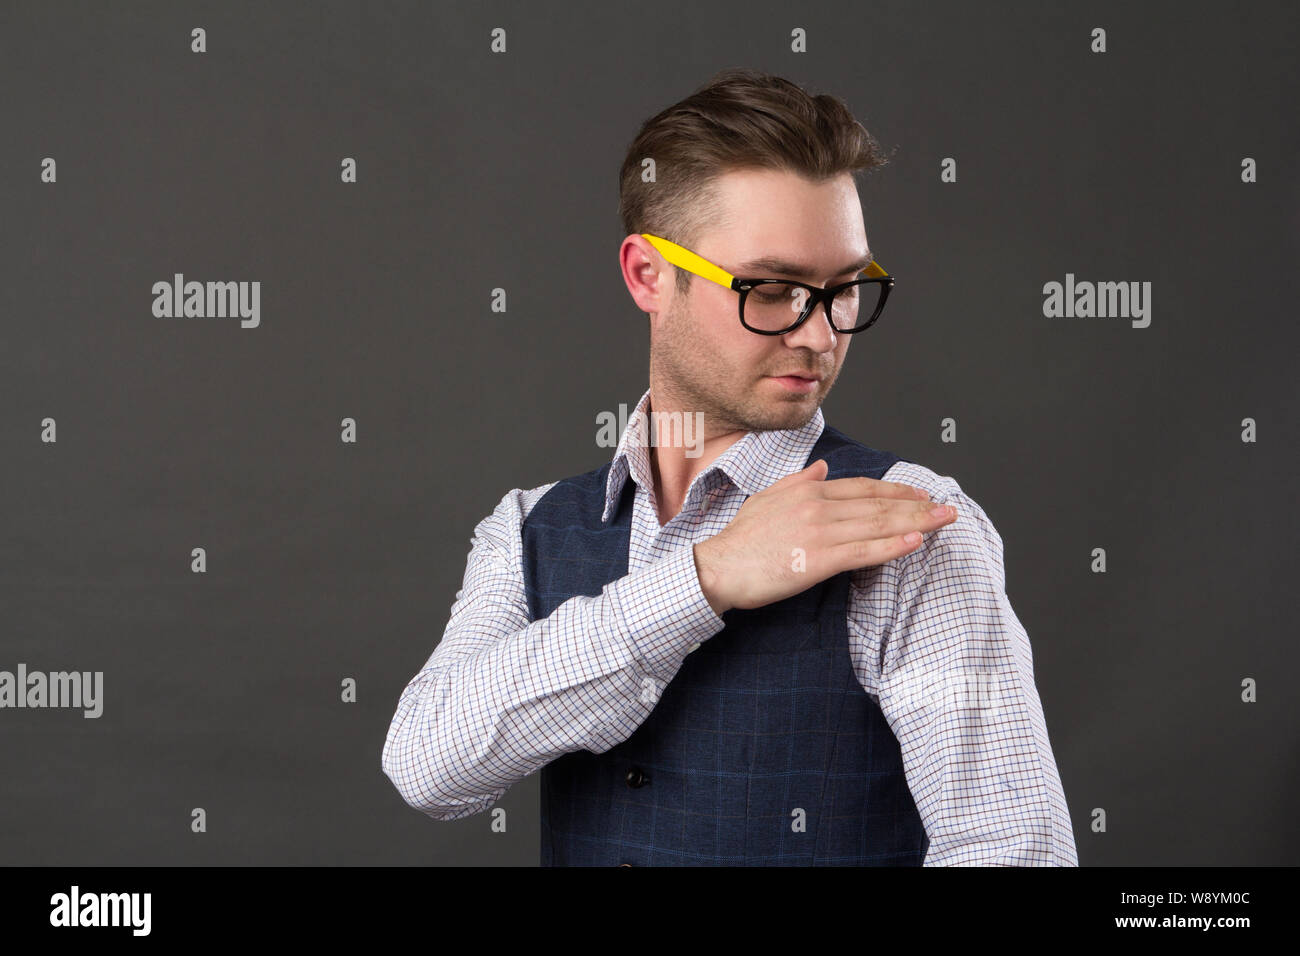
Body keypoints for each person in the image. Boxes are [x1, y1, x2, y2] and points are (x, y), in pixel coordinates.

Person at [382, 67, 1078, 866]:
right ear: (649, 275)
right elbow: (427, 766)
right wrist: (704, 578)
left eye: (845, 289)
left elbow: (1013, 850)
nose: (819, 336)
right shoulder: (530, 528)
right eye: (774, 290)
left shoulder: (911, 523)